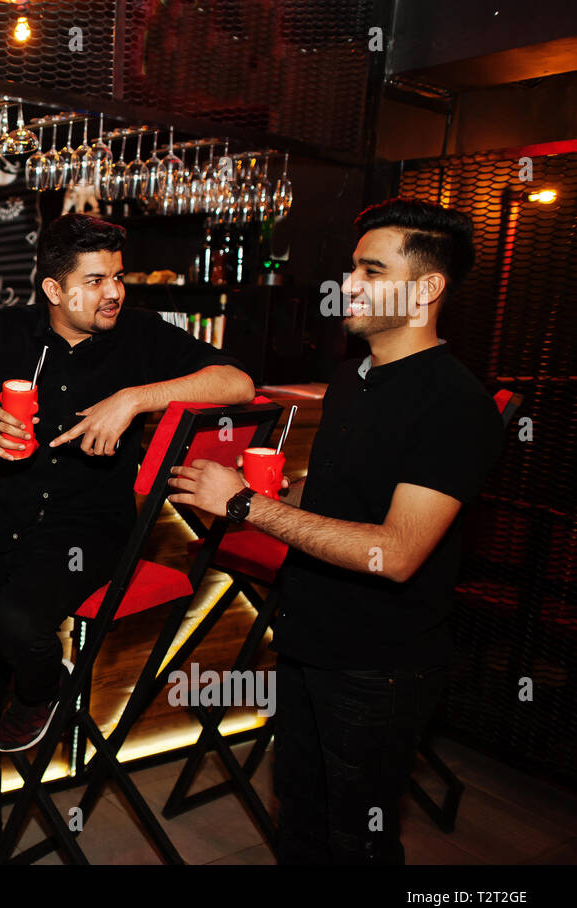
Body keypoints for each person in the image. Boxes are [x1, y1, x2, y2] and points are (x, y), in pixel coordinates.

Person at [169, 198, 504, 864]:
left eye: (371, 270)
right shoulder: (354, 376)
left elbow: (399, 552)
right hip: (310, 636)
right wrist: (268, 491)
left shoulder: (453, 405)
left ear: (427, 288)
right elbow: (341, 500)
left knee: (358, 841)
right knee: (300, 819)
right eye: (352, 267)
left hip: (377, 664)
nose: (347, 284)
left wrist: (245, 507)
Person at [0, 213, 255, 864]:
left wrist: (135, 399)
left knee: (18, 619)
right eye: (95, 279)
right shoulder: (13, 331)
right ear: (54, 290)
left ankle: (45, 684)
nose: (114, 291)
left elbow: (238, 383)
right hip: (13, 514)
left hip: (92, 525)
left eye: (118, 276)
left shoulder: (138, 336)